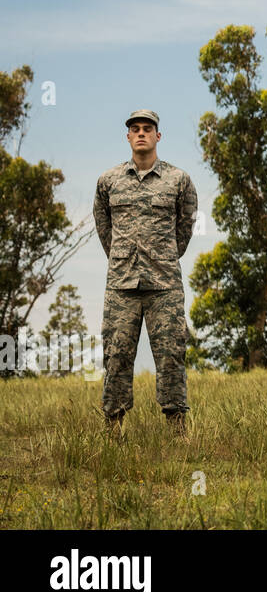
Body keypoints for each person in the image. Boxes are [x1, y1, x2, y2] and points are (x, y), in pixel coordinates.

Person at [93, 109, 198, 436]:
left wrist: (164, 256)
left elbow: (185, 226)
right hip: (121, 286)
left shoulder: (178, 180)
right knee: (117, 355)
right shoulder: (109, 181)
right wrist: (122, 258)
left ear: (158, 136)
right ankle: (113, 430)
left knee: (170, 356)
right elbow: (103, 226)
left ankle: (177, 430)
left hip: (164, 285)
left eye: (147, 129)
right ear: (128, 137)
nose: (141, 133)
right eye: (135, 129)